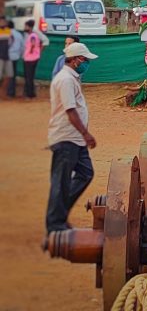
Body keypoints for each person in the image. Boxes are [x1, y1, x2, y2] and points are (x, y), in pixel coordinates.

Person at [45, 41, 98, 233]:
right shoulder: (66, 79)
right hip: (67, 137)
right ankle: (55, 223)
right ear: (75, 60)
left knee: (85, 173)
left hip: (74, 138)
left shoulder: (72, 78)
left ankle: (59, 212)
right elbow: (70, 110)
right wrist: (86, 133)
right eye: (84, 60)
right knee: (61, 181)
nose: (86, 63)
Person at [22, 18, 49, 99]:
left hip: (31, 58)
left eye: (26, 26)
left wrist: (35, 52)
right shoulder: (30, 33)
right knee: (28, 76)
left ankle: (30, 94)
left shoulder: (34, 34)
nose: (25, 27)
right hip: (29, 57)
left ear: (29, 27)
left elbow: (44, 41)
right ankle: (29, 93)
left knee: (29, 76)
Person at [6, 20, 24, 97]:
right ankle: (11, 92)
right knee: (12, 75)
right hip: (15, 57)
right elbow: (22, 47)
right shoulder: (19, 34)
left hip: (6, 57)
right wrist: (19, 55)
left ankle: (9, 92)